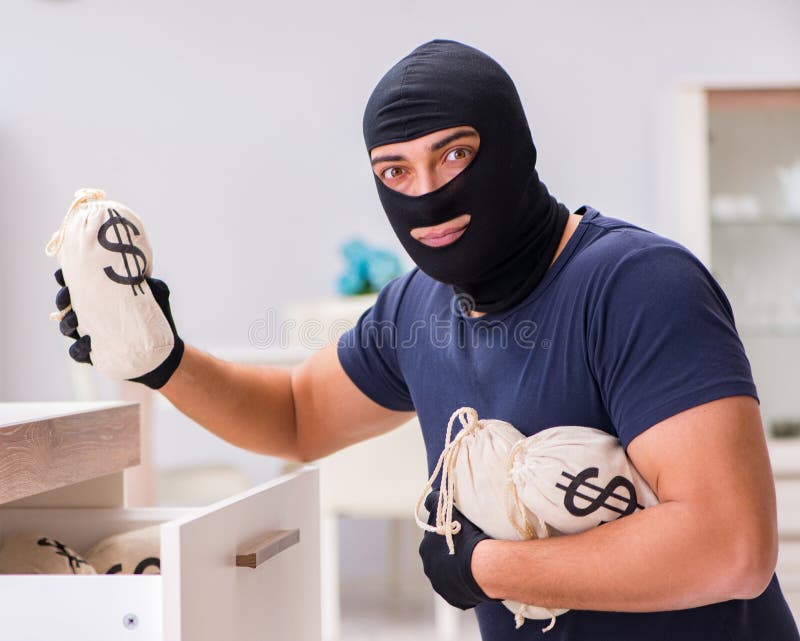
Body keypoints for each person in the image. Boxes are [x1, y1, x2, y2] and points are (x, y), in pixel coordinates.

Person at [53, 40, 799, 640]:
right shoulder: (420, 306)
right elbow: (294, 414)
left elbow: (729, 546)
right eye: (395, 171)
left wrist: (491, 569)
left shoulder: (638, 284)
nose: (427, 196)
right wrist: (163, 358)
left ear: (512, 147)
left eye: (453, 156)